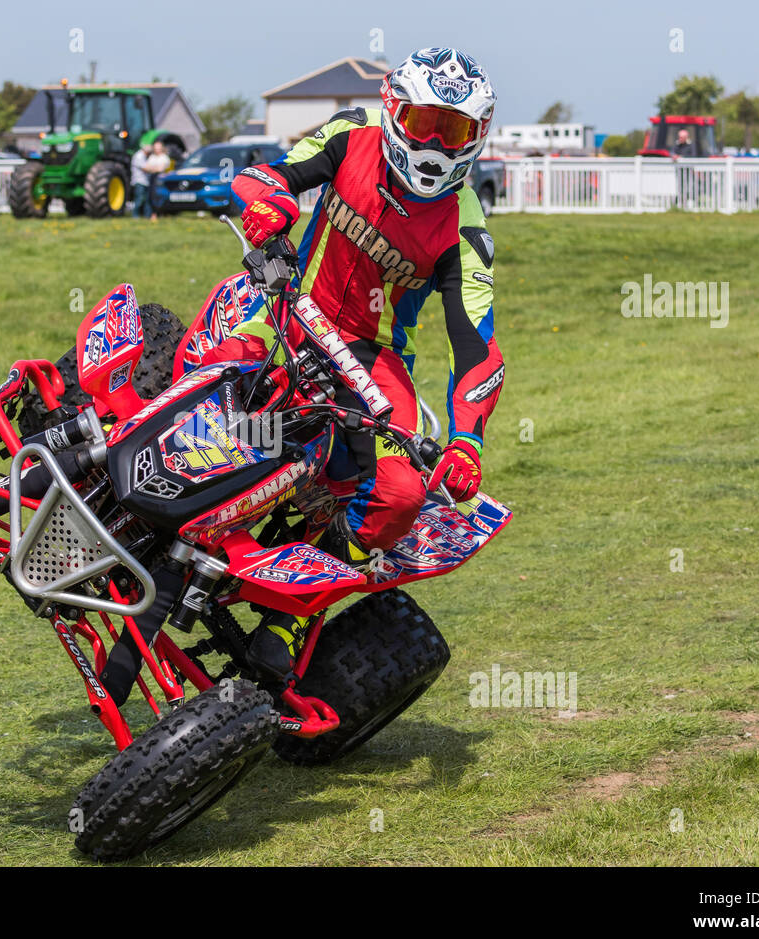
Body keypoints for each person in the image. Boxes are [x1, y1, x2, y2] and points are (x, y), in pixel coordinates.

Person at [203, 47, 506, 679]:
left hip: (372, 358)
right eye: (424, 121)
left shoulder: (466, 228)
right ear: (394, 108)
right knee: (212, 384)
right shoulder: (352, 132)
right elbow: (268, 175)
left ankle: (293, 612)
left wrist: (466, 443)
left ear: (478, 136)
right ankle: (101, 456)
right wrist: (272, 206)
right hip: (286, 307)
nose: (434, 143)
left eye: (453, 130)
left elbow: (476, 346)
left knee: (400, 494)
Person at [130, 143, 155, 218]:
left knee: (147, 200)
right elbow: (146, 168)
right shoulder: (139, 156)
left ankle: (147, 216)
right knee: (139, 199)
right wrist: (157, 168)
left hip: (145, 181)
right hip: (139, 181)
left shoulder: (146, 156)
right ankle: (135, 216)